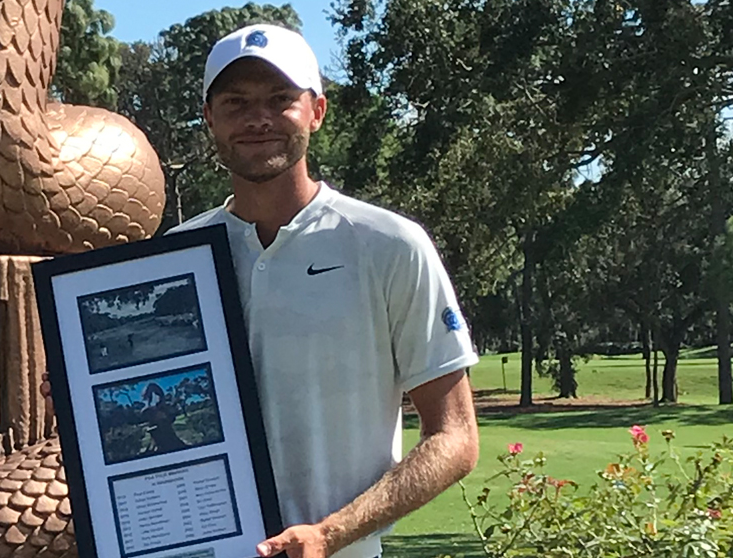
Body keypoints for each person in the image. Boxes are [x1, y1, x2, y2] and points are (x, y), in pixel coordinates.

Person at [43, 23, 479, 558]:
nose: (258, 119)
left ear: (316, 111)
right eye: (236, 101)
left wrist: (330, 533)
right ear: (209, 118)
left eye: (280, 99)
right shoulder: (172, 259)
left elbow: (454, 438)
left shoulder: (389, 245)